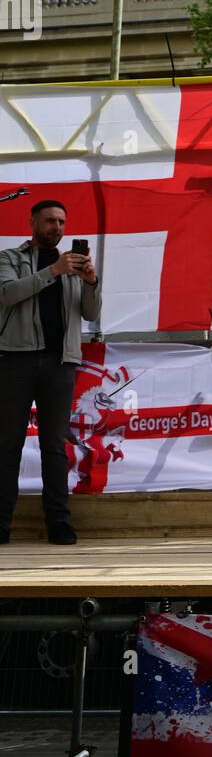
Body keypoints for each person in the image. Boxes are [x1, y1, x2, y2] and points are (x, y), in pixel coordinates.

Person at [0, 200, 101, 545]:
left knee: (55, 446)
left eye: (61, 221)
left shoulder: (73, 264)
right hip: (14, 361)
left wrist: (91, 281)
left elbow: (90, 313)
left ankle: (58, 523)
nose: (56, 227)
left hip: (60, 364)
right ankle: (2, 524)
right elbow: (7, 295)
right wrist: (53, 271)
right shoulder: (9, 258)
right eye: (49, 221)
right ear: (32, 222)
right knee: (7, 445)